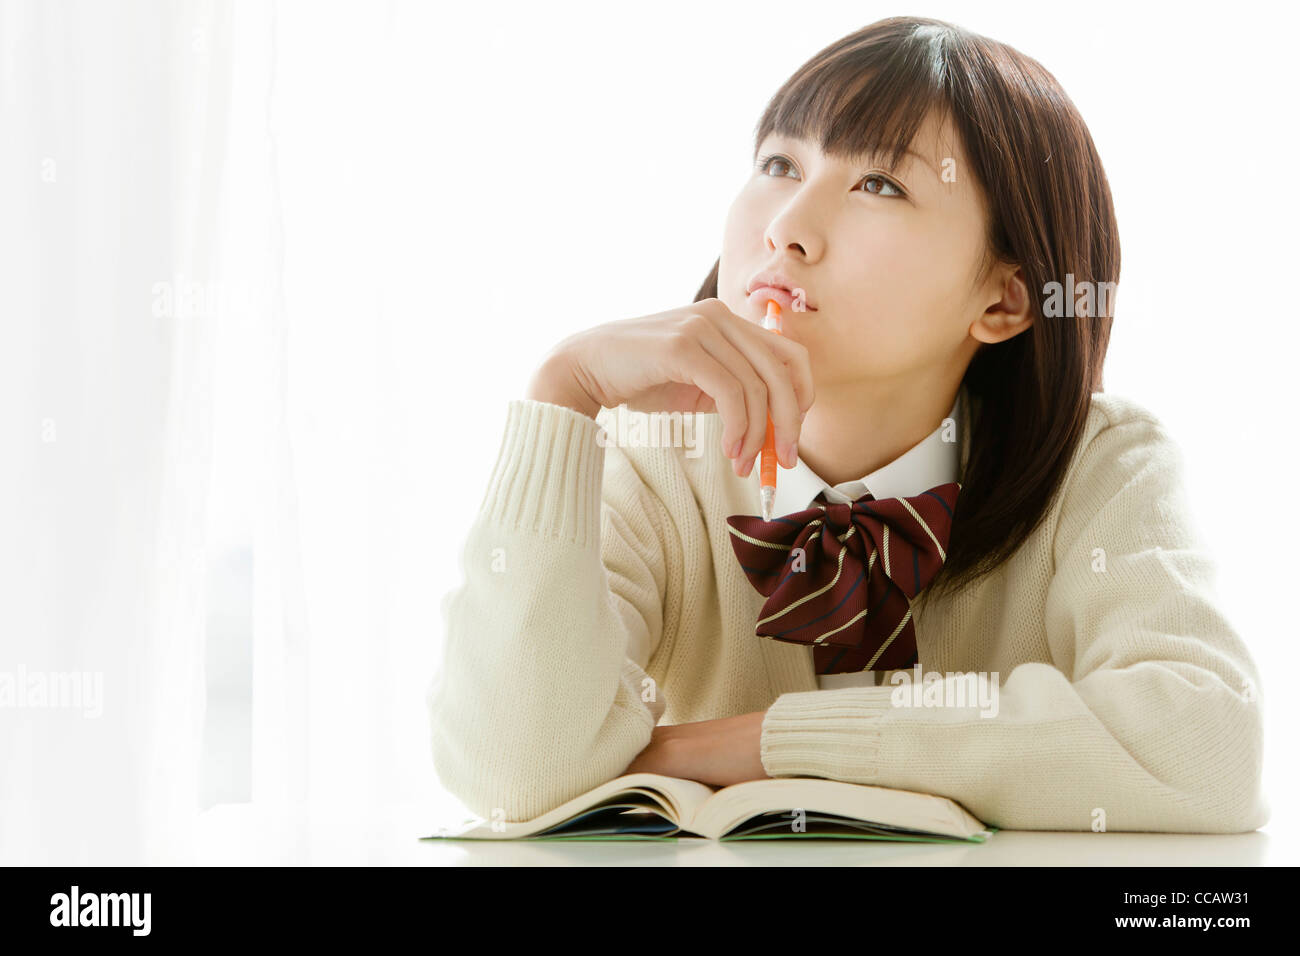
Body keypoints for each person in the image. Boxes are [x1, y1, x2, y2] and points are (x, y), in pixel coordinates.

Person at [426, 15, 1267, 833]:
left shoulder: (1097, 467)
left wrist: (770, 743)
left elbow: (1204, 746)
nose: (787, 229)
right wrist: (562, 396)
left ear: (1005, 299)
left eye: (879, 184)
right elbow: (513, 775)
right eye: (780, 163)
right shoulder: (658, 459)